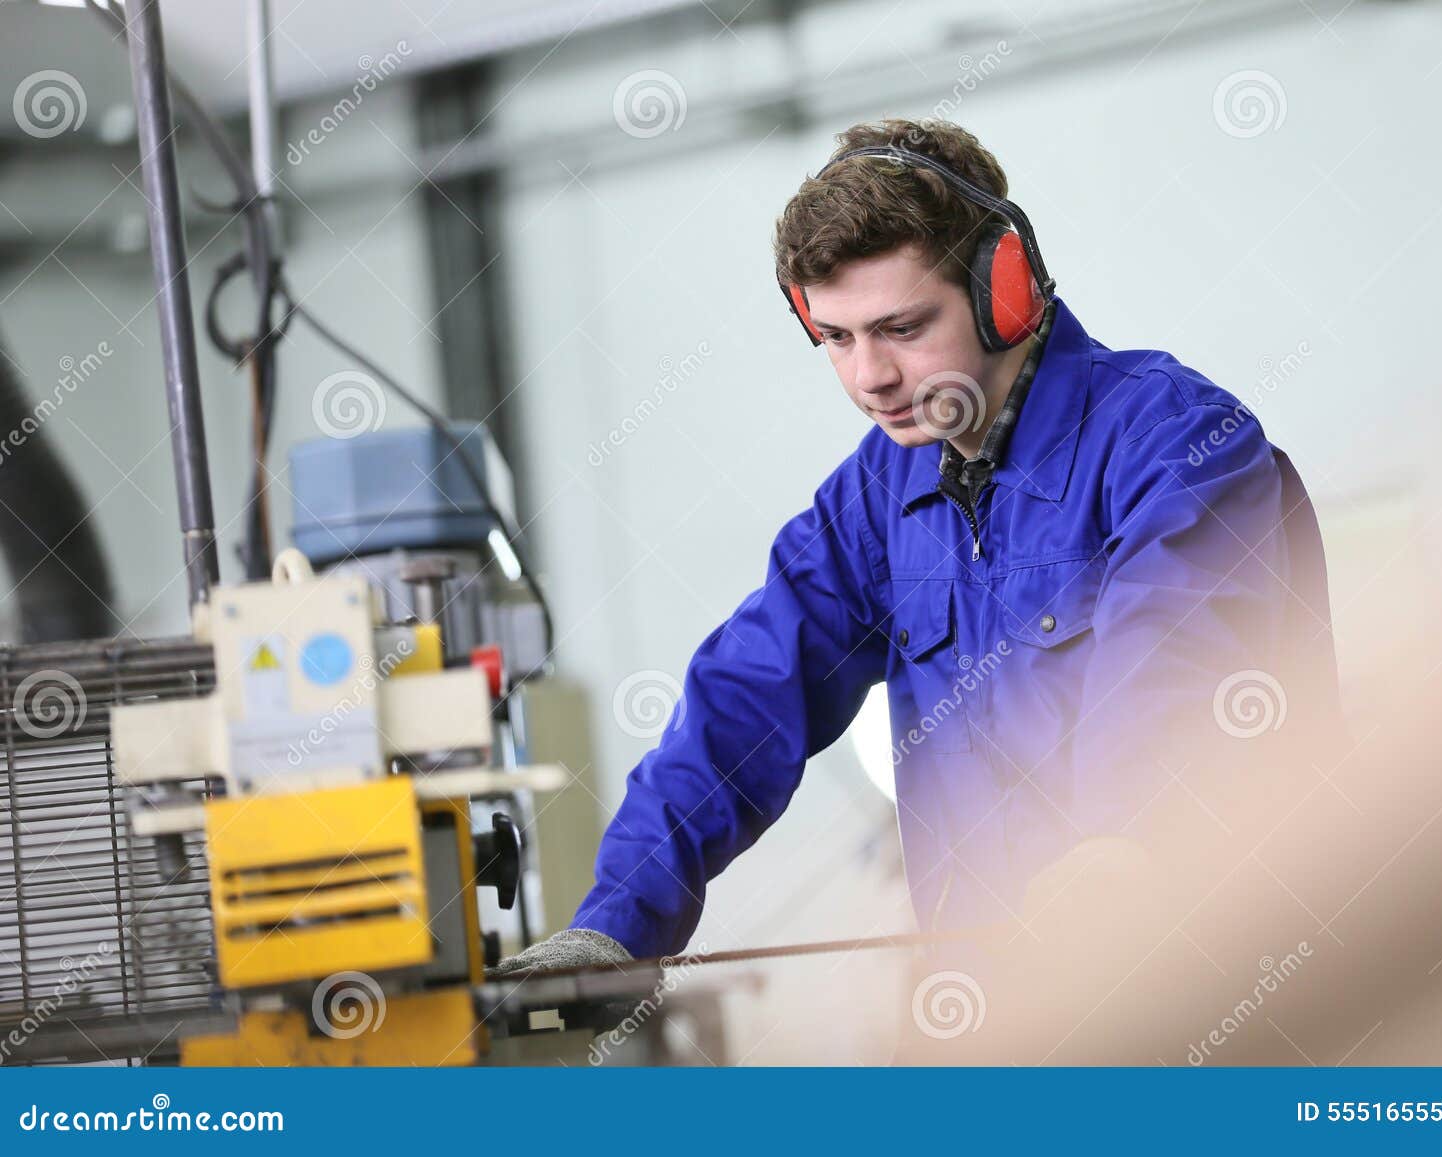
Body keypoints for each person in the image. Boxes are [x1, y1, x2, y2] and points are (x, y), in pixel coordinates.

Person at [493, 117, 1342, 975]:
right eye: (835, 337)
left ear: (1004, 292)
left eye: (901, 327)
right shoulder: (876, 498)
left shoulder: (1172, 445)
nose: (870, 377)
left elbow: (1170, 684)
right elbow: (745, 698)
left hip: (1204, 987)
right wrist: (616, 921)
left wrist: (1116, 864)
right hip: (997, 1006)